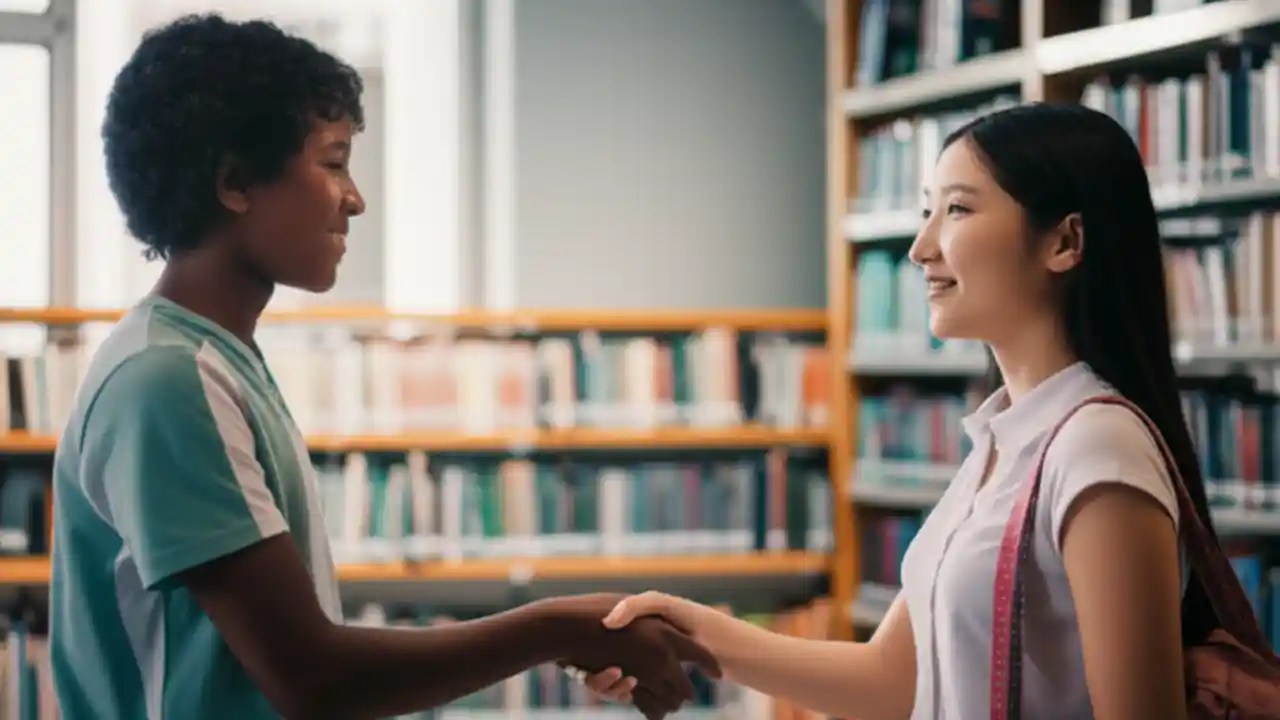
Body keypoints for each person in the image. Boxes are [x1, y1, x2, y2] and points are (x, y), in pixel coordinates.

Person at [47, 14, 717, 720]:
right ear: (236, 181)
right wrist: (557, 628)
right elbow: (315, 679)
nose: (355, 200)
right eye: (332, 163)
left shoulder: (214, 362)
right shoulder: (167, 381)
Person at [578, 102, 1226, 720]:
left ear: (1065, 241)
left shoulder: (1097, 446)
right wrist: (689, 631)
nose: (921, 248)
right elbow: (892, 678)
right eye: (927, 212)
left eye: (957, 211)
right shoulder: (1003, 443)